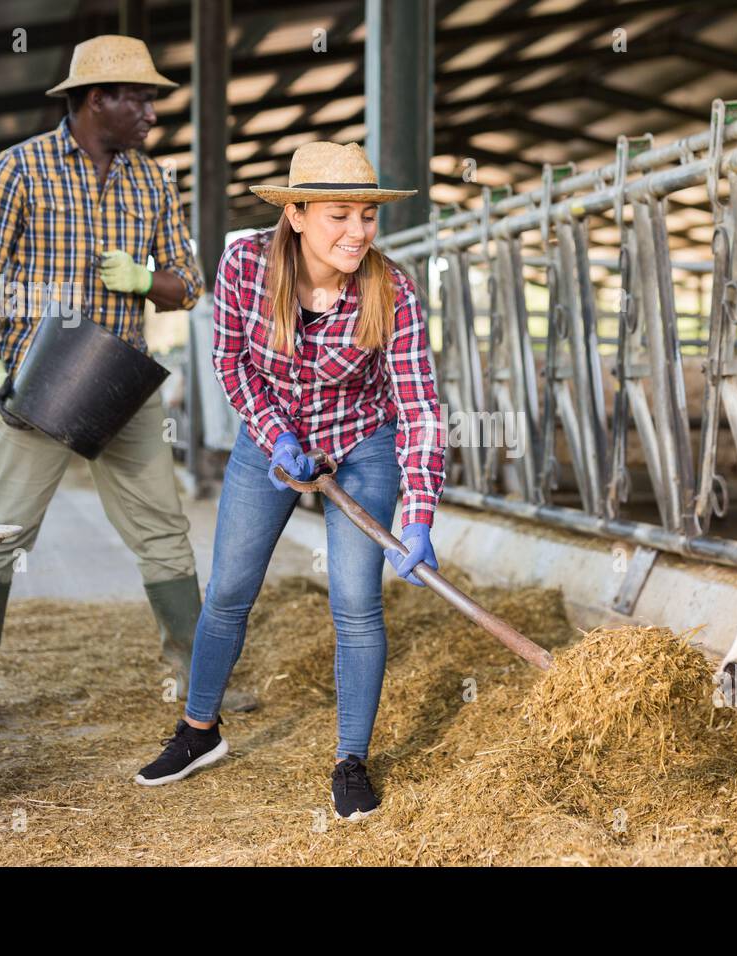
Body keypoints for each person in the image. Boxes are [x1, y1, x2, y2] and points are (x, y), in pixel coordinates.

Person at [134, 141, 446, 822]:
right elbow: (231, 360)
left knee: (358, 602)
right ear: (298, 214)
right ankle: (199, 729)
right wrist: (275, 434)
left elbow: (419, 407)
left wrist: (419, 514)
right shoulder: (246, 263)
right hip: (270, 445)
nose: (357, 232)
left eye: (367, 216)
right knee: (230, 590)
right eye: (340, 215)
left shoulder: (391, 287)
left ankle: (351, 760)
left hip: (362, 444)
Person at [0, 35, 243, 716]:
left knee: (162, 531)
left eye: (150, 99)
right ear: (92, 101)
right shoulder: (17, 171)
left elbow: (190, 284)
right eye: (138, 99)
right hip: (35, 383)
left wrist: (147, 280)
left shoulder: (153, 181)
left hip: (119, 383)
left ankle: (197, 686)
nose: (151, 113)